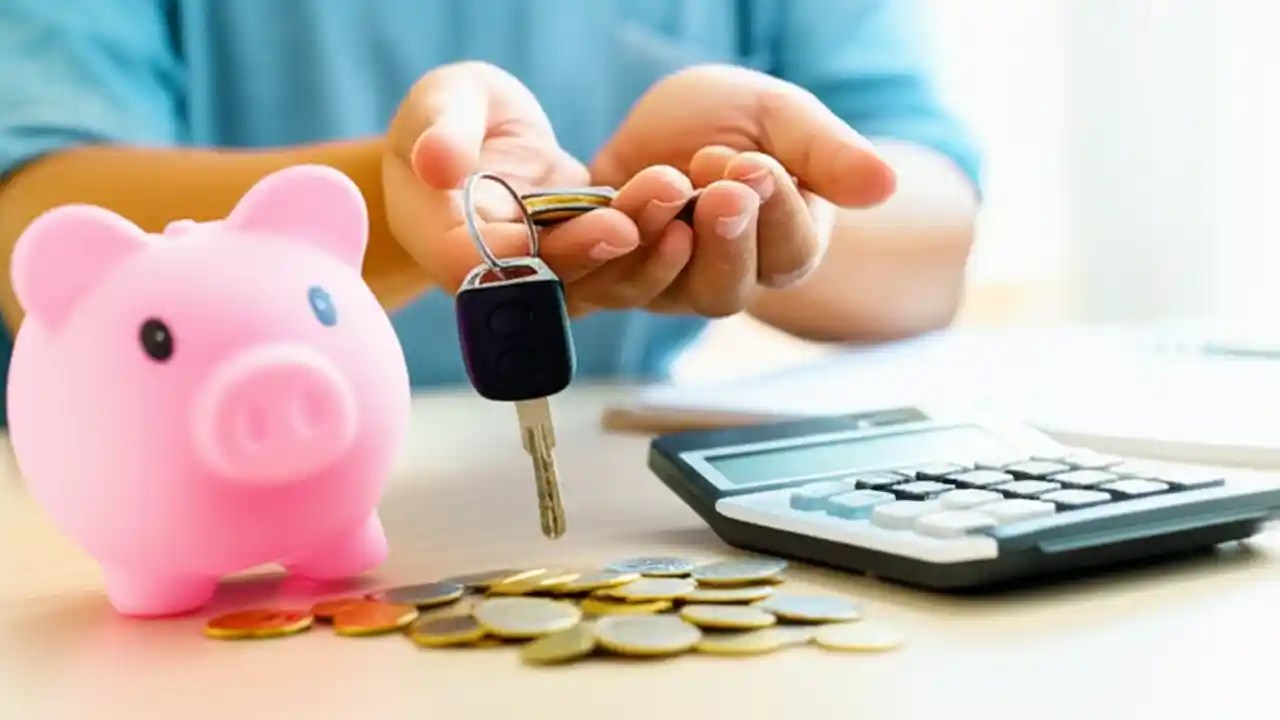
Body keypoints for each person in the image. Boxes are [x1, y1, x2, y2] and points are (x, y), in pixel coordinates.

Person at [0, 0, 981, 426]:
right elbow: (32, 223)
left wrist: (771, 203)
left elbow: (930, 241)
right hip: (155, 499)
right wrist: (388, 205)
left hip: (609, 507)